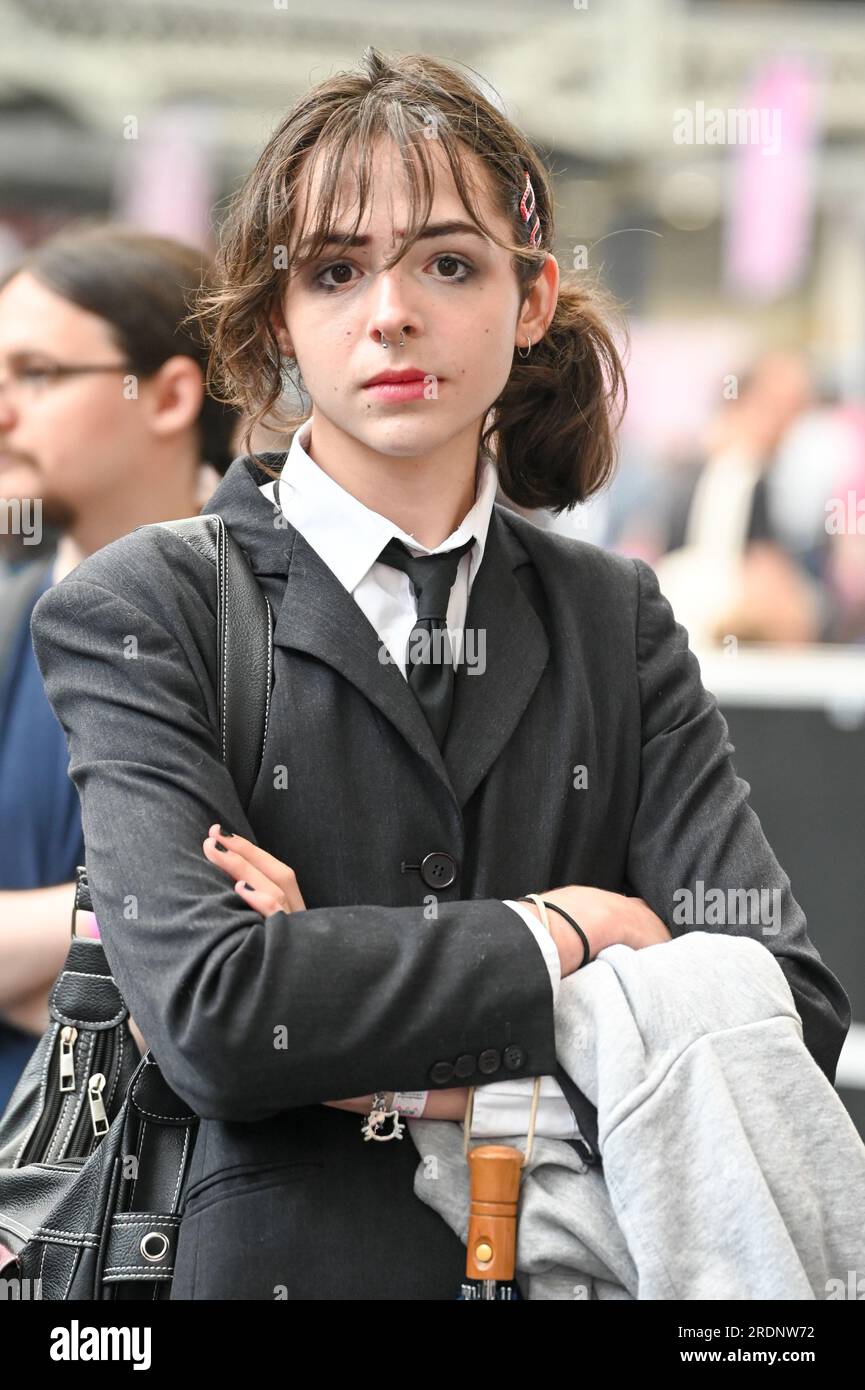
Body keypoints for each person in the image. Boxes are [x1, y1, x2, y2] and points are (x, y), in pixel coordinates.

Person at [28, 48, 850, 1300]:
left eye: (449, 263)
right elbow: (211, 1017)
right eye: (336, 270)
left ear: (529, 303)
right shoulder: (146, 603)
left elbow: (779, 1003)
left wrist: (351, 1028)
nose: (392, 312)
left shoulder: (610, 617)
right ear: (277, 321)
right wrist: (565, 928)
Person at [0, 224, 239, 1110]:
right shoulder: (9, 615)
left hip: (162, 1214)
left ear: (170, 394)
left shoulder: (281, 632)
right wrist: (132, 941)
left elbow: (243, 980)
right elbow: (181, 952)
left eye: (37, 374)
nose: (1, 409)